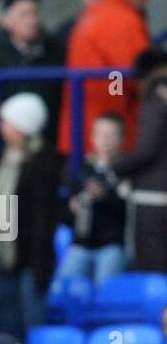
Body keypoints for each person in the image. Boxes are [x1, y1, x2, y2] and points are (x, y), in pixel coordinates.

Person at [59, 0, 153, 155]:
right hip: (106, 133)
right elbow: (129, 74)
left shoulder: (96, 13)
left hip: (83, 127)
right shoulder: (122, 20)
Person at [0, 91, 63, 326]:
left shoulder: (42, 161)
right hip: (10, 259)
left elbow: (43, 216)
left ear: (22, 125)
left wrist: (39, 267)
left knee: (31, 323)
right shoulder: (10, 157)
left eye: (6, 121)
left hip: (32, 262)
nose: (1, 126)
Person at [0, 0, 63, 133]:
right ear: (5, 20)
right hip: (2, 135)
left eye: (34, 13)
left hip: (46, 136)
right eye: (23, 15)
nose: (31, 21)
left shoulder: (55, 50)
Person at [111, 47, 167, 274]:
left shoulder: (156, 100)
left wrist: (116, 167)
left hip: (154, 196)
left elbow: (146, 149)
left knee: (154, 271)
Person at [57, 112, 129, 285]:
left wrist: (105, 196)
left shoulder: (126, 170)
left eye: (111, 135)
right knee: (62, 289)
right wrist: (72, 207)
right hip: (81, 245)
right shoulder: (82, 169)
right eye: (100, 134)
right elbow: (63, 212)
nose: (105, 140)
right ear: (92, 137)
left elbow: (130, 211)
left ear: (122, 139)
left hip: (112, 245)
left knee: (106, 292)